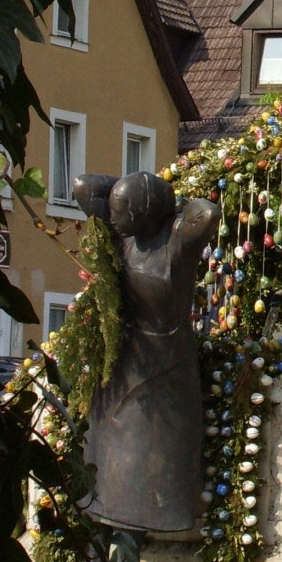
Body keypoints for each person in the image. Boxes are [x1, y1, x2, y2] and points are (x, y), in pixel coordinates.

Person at [72, 171, 217, 537]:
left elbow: (209, 213)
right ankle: (95, 552)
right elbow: (82, 185)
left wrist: (167, 202)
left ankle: (127, 559)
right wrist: (128, 186)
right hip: (122, 363)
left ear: (146, 213)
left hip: (164, 366)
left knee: (140, 465)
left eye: (123, 212)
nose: (114, 219)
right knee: (103, 461)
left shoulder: (177, 241)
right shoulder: (122, 236)